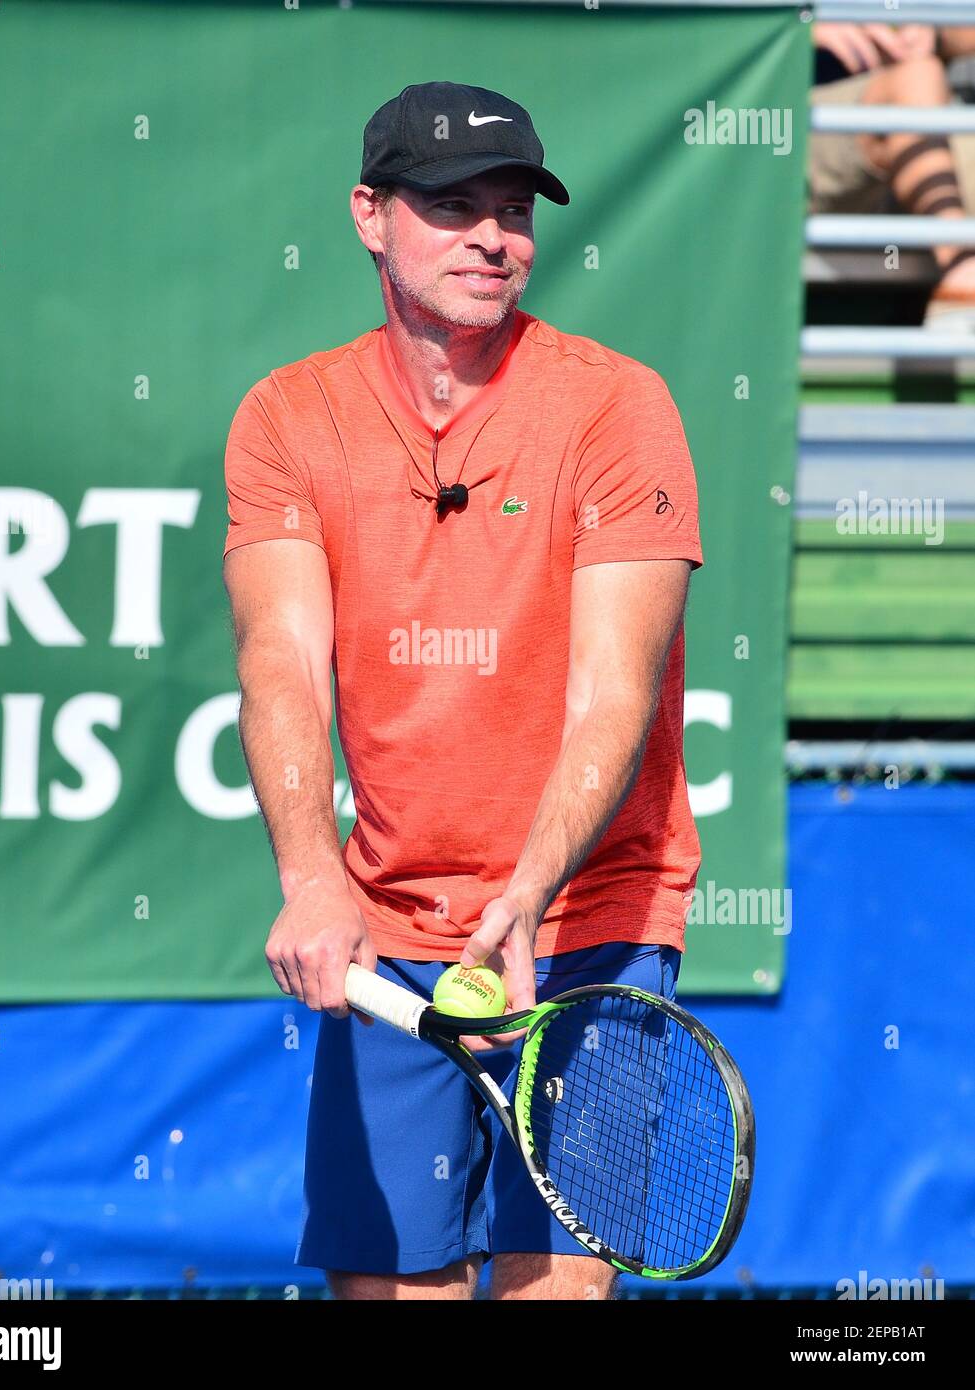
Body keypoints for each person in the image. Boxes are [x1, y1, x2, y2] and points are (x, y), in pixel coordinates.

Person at [222, 82, 701, 1301]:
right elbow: (280, 656)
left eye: (514, 209)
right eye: (452, 205)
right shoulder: (287, 417)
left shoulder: (619, 406)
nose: (494, 235)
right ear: (369, 216)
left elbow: (614, 690)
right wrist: (311, 876)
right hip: (395, 935)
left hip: (592, 920)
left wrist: (528, 895)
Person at [809, 23, 975, 327]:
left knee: (919, 76)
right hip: (778, 124)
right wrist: (804, 30)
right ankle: (960, 270)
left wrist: (936, 35)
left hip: (930, 120)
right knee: (918, 75)